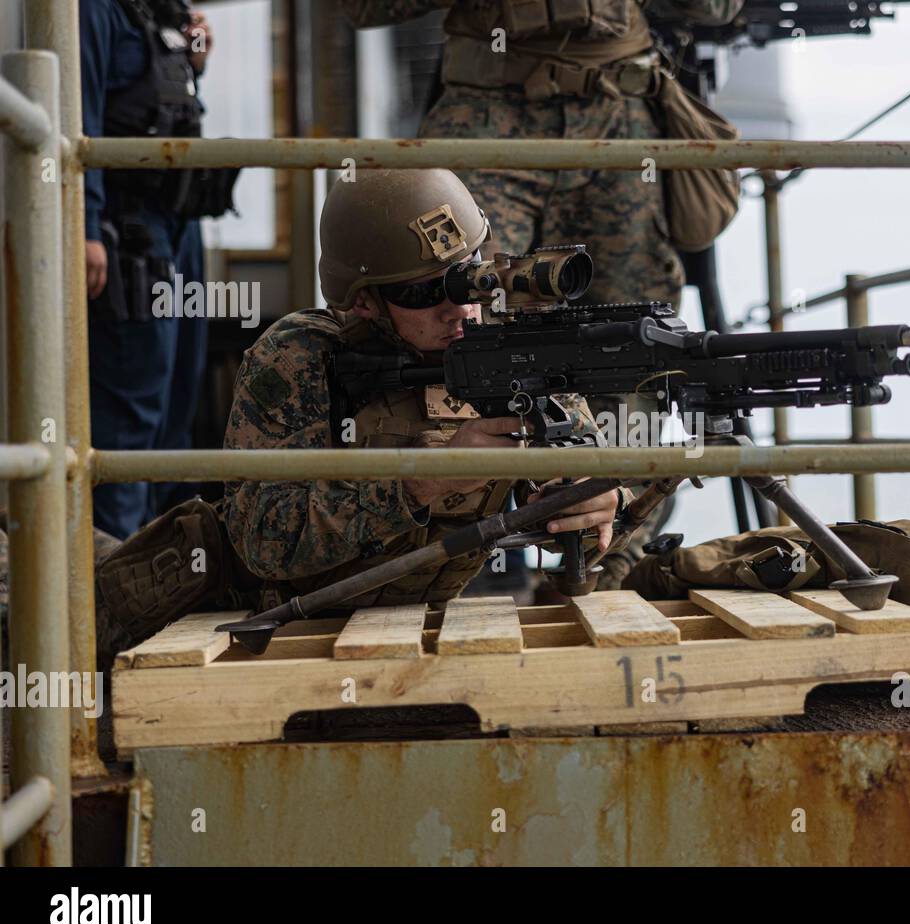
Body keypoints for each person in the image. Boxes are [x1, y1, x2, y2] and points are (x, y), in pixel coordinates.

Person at [221, 168, 623, 611]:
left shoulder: (511, 344)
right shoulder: (301, 356)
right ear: (363, 300)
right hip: (267, 618)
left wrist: (594, 506)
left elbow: (585, 518)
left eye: (470, 274)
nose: (460, 307)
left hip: (417, 623)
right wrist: (421, 482)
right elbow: (262, 542)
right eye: (426, 291)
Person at [342, 0, 744, 309]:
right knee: (458, 295)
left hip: (618, 124)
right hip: (485, 124)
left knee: (631, 318)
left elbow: (718, 8)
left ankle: (614, 420)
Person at [81, 0, 231, 539]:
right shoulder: (94, 10)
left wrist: (195, 62)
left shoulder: (161, 12)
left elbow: (164, 109)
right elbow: (82, 114)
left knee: (179, 393)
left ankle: (160, 568)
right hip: (129, 226)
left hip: (180, 223)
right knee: (133, 401)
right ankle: (114, 575)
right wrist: (86, 223)